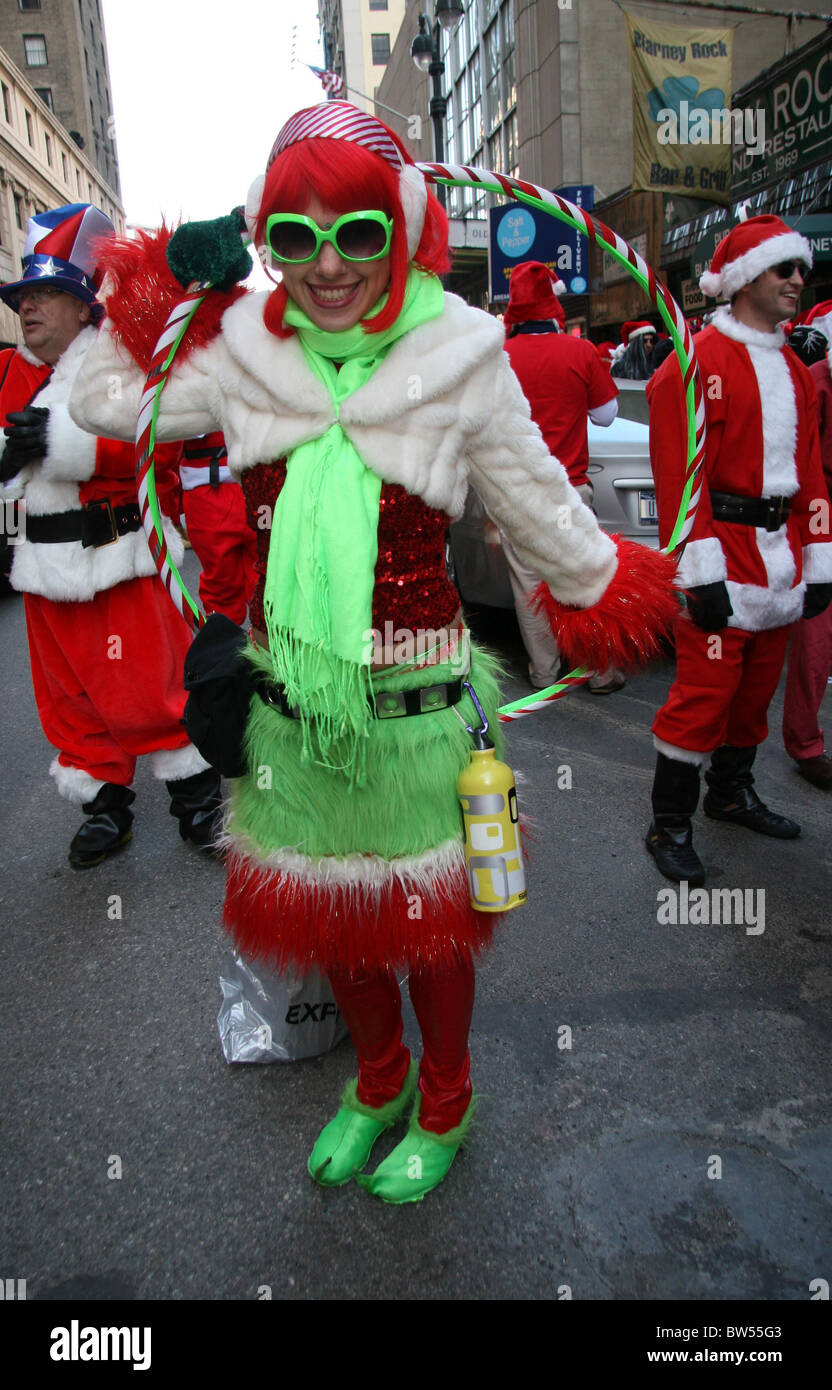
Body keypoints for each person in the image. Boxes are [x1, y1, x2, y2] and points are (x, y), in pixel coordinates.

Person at [70, 103, 675, 1202]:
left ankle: (445, 1096)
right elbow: (108, 401)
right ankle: (376, 1082)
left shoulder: (457, 357)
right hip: (291, 707)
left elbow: (544, 511)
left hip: (413, 705)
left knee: (427, 925)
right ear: (264, 244)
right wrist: (167, 283)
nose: (327, 264)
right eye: (292, 238)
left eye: (355, 230)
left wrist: (639, 586)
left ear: (401, 229)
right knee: (331, 915)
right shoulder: (246, 354)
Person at [0, 203, 223, 868]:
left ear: (81, 302)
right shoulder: (7, 371)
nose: (29, 308)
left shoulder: (118, 357)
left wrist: (63, 444)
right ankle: (105, 808)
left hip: (115, 555)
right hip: (41, 565)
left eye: (47, 293)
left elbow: (155, 440)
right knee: (68, 701)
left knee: (154, 688)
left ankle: (197, 801)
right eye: (23, 295)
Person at [645, 214, 832, 885]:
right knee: (702, 696)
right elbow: (679, 477)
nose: (797, 281)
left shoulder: (793, 366)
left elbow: (809, 470)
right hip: (721, 555)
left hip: (778, 558)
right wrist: (697, 570)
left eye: (801, 270)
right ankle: (668, 824)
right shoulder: (694, 365)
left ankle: (730, 792)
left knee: (755, 696)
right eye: (785, 269)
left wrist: (818, 557)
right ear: (748, 277)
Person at [501, 260, 623, 693]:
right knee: (580, 577)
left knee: (529, 586)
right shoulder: (581, 351)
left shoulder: (499, 358)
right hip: (570, 489)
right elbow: (607, 416)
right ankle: (598, 671)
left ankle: (543, 673)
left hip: (516, 493)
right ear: (553, 308)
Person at [782, 300, 832, 787]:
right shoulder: (812, 380)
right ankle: (805, 742)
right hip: (819, 518)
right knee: (815, 643)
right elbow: (804, 467)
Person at [178, 431, 257, 626]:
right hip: (253, 483)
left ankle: (225, 648)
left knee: (223, 587)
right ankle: (273, 650)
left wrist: (168, 510)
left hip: (209, 492)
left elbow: (164, 451)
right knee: (266, 578)